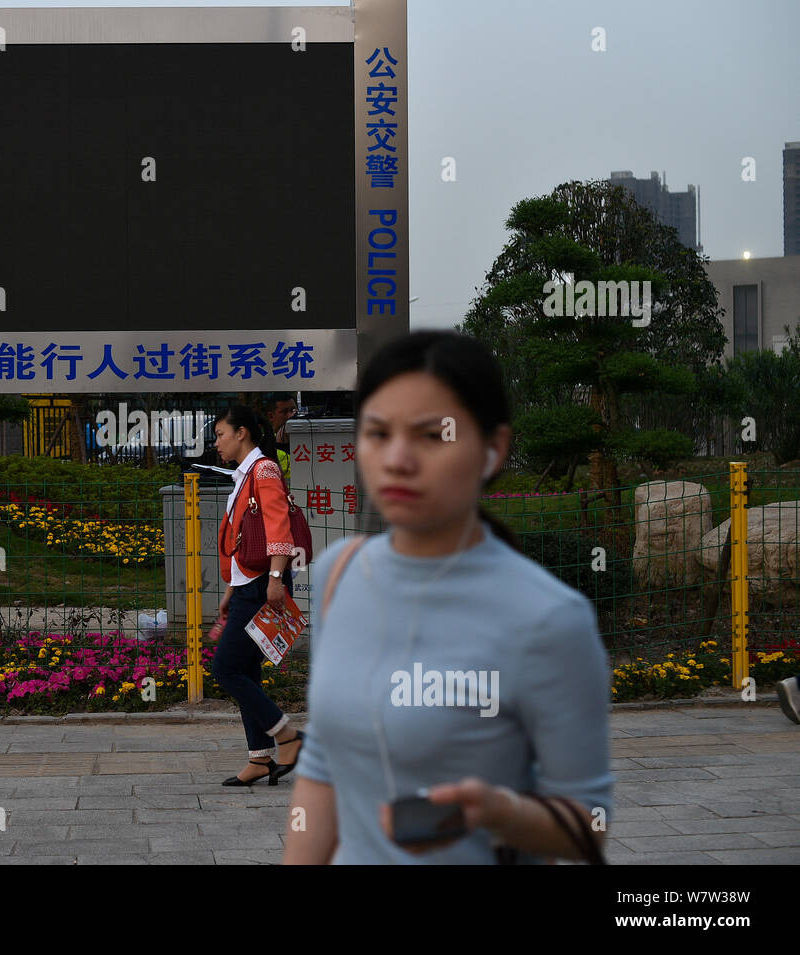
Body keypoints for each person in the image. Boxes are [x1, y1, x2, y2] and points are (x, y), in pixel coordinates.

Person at [284, 331, 613, 864]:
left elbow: (588, 822)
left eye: (432, 435)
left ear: (493, 449)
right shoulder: (336, 574)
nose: (397, 459)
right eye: (377, 432)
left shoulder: (549, 618)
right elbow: (323, 764)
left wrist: (499, 812)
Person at [210, 404, 305, 786]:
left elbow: (278, 526)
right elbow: (243, 539)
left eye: (220, 434)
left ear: (241, 433)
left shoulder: (263, 469)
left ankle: (287, 735)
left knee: (226, 668)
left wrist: (277, 579)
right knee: (246, 670)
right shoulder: (245, 473)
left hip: (264, 583)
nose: (216, 442)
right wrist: (231, 587)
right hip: (248, 583)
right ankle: (260, 758)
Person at [265, 393, 297, 481]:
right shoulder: (264, 445)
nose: (291, 416)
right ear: (271, 416)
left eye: (293, 410)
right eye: (284, 411)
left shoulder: (308, 440)